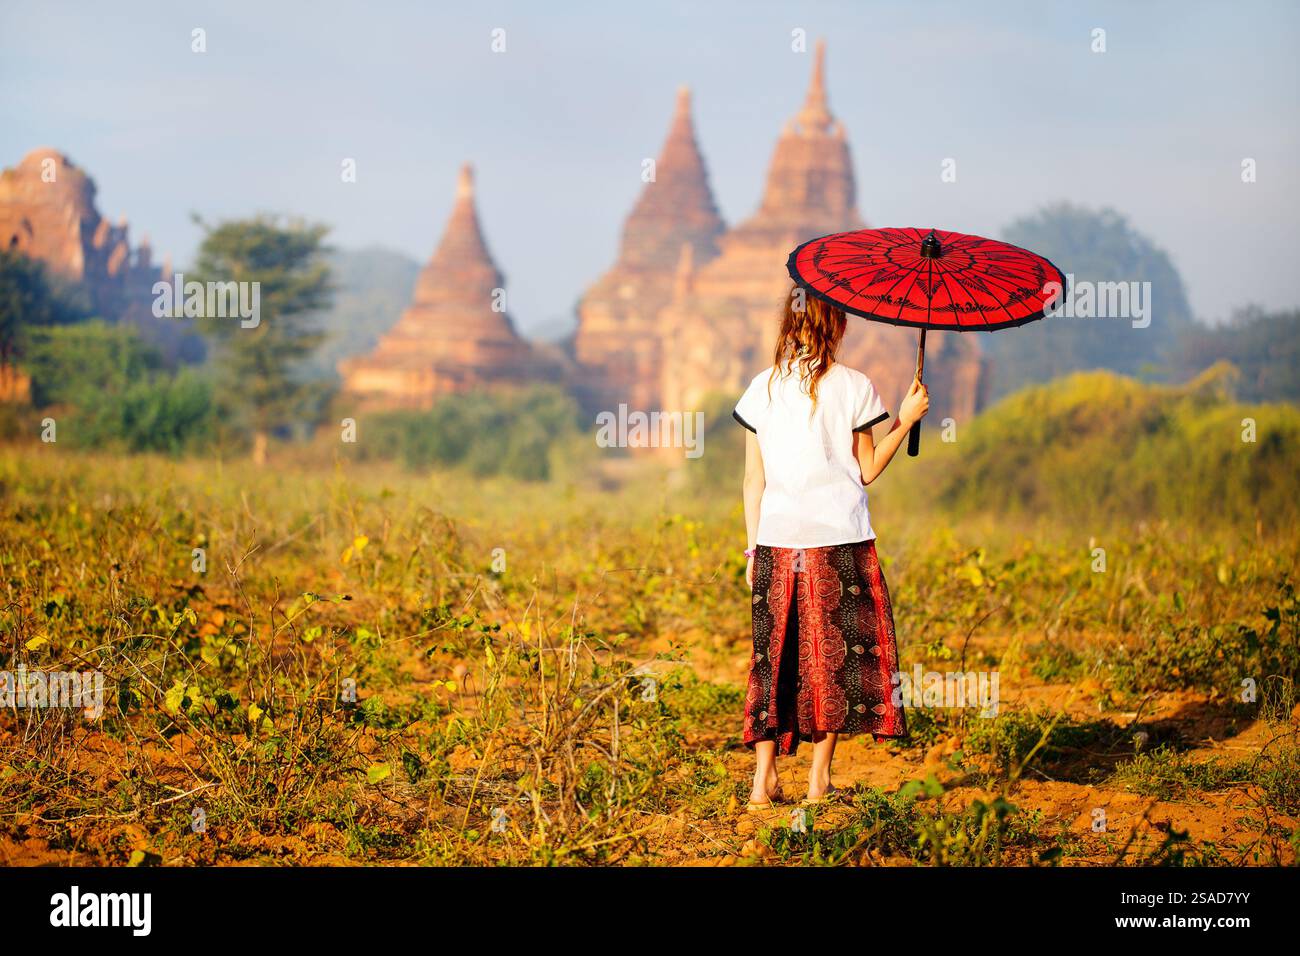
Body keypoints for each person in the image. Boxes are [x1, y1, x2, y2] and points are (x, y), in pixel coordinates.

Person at [733, 289, 929, 807]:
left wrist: (752, 552)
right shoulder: (855, 387)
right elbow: (866, 471)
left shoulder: (763, 389)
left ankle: (763, 781)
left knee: (773, 658)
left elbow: (753, 480)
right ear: (834, 326)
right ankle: (818, 781)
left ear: (789, 325)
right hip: (838, 540)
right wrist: (906, 419)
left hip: (776, 542)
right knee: (832, 664)